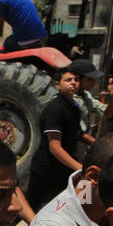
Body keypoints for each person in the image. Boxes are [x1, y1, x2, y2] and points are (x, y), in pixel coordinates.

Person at [24, 65, 84, 210]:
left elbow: (73, 139)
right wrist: (80, 168)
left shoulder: (74, 107)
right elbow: (54, 147)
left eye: (76, 80)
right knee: (34, 210)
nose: (73, 83)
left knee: (68, 206)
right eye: (68, 80)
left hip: (63, 169)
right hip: (46, 171)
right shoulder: (56, 109)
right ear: (57, 85)